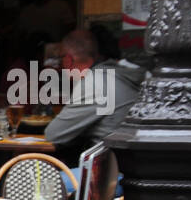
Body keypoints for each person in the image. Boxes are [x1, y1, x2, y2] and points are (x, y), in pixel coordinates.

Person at [44, 28, 145, 169]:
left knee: (35, 183)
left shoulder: (96, 82)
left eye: (59, 60)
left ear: (67, 60)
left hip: (107, 177)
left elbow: (53, 135)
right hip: (131, 167)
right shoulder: (118, 75)